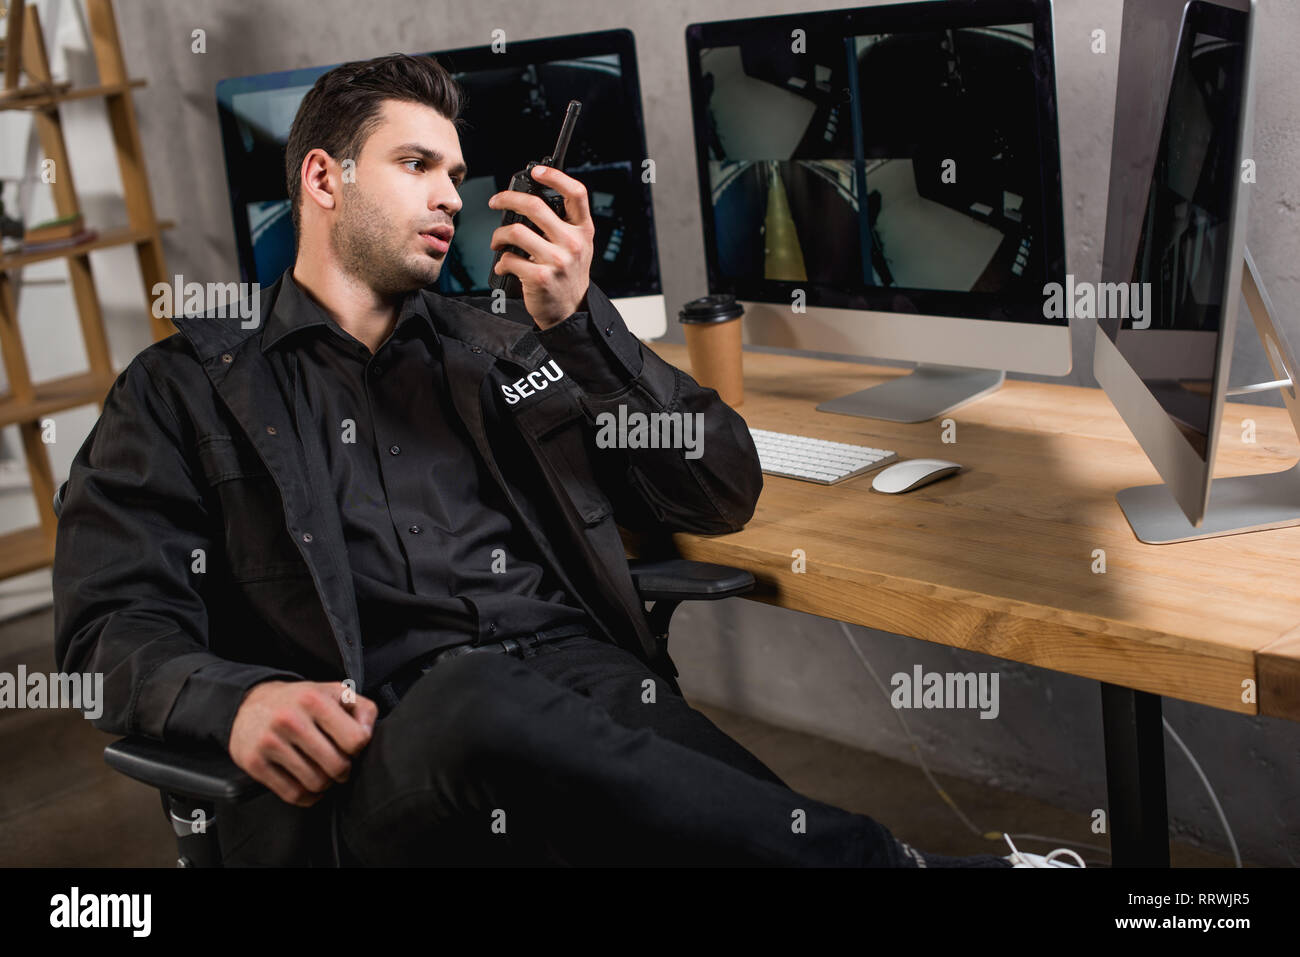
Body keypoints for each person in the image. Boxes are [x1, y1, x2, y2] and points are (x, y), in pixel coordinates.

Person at [53, 52, 1062, 867]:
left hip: (581, 695)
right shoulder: (183, 390)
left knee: (728, 812)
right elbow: (107, 625)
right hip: (379, 753)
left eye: (456, 173)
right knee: (476, 696)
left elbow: (716, 490)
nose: (452, 195)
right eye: (416, 167)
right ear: (324, 178)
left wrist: (586, 327)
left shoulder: (502, 344)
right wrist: (230, 701)